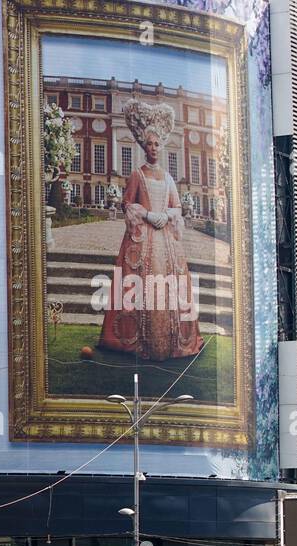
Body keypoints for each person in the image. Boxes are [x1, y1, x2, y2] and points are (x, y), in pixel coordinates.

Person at [97, 99, 203, 362]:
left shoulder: (168, 178)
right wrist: (145, 214)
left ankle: (172, 340)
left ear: (162, 146)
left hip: (166, 239)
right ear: (143, 147)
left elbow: (177, 206)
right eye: (149, 144)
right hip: (143, 240)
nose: (153, 148)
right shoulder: (136, 174)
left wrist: (163, 215)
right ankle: (136, 341)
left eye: (157, 144)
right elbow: (126, 203)